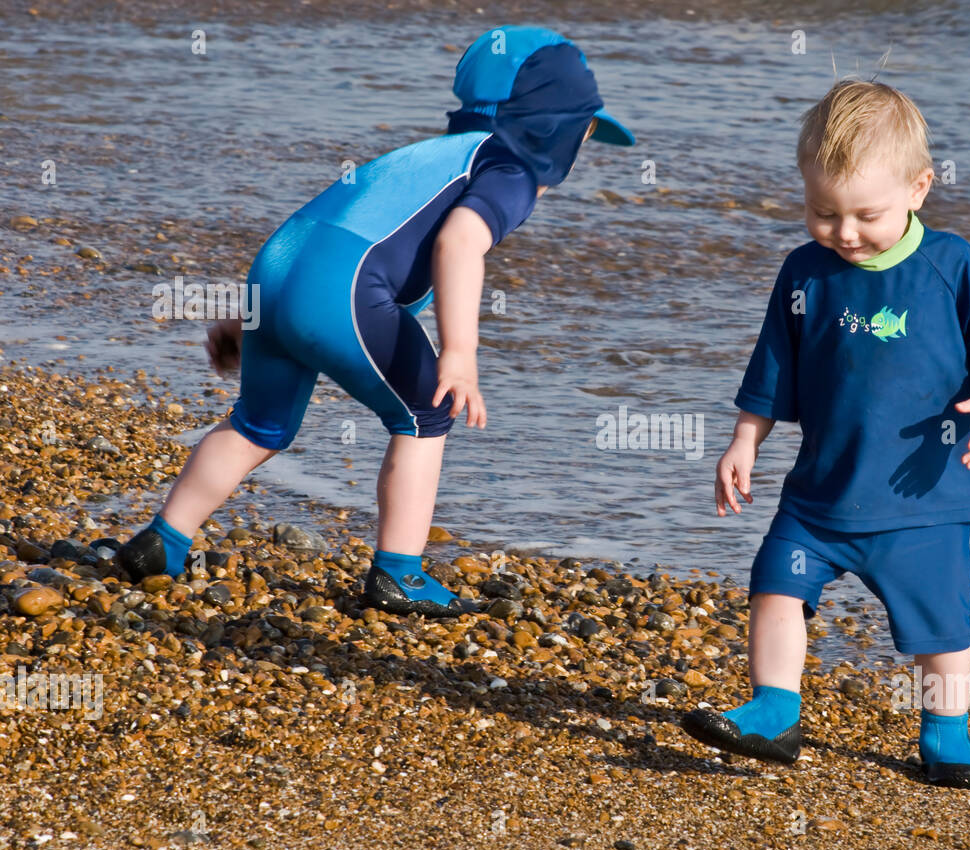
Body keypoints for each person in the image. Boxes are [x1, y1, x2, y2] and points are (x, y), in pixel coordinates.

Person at [115, 25, 635, 618]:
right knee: (423, 412)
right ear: (554, 127)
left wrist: (249, 317)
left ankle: (164, 539)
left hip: (277, 275)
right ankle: (398, 574)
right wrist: (459, 352)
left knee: (258, 424)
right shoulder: (508, 170)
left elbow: (337, 234)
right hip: (339, 291)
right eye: (585, 131)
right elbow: (460, 244)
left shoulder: (421, 159)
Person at [684, 79, 970, 788]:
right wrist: (744, 439)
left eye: (865, 215)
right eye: (823, 212)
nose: (844, 233)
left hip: (924, 501)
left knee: (941, 630)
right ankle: (775, 712)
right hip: (818, 496)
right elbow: (772, 366)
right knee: (773, 588)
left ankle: (945, 735)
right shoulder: (804, 272)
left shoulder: (952, 266)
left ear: (919, 188)